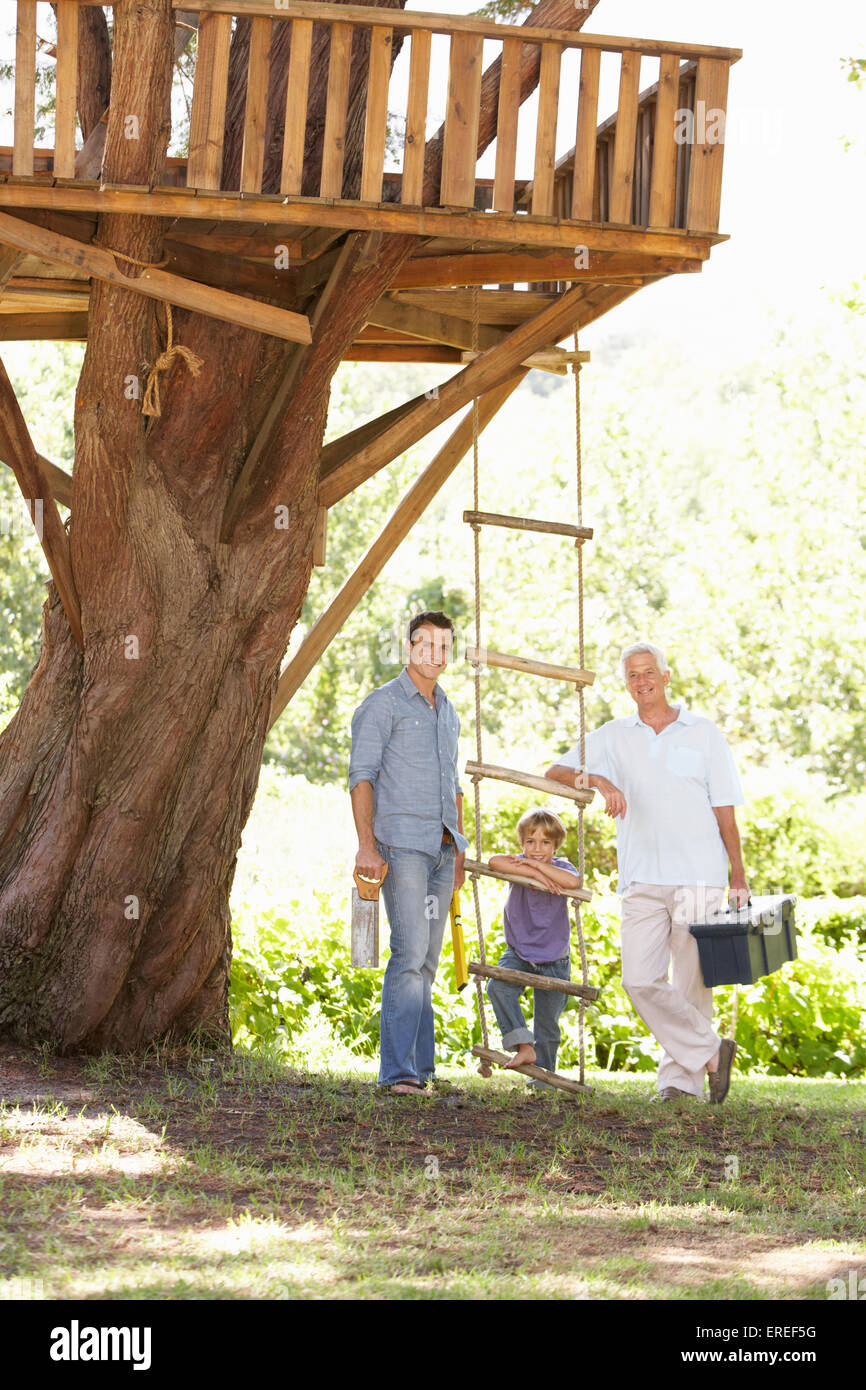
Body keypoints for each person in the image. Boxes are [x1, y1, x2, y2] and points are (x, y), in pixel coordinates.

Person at [546, 641, 749, 1105]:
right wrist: (598, 780)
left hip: (701, 874)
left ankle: (679, 1084)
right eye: (632, 676)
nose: (641, 681)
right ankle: (711, 1051)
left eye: (648, 672)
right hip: (641, 877)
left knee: (691, 984)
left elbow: (725, 810)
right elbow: (556, 769)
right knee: (638, 978)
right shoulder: (614, 736)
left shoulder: (704, 733)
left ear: (666, 675)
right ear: (626, 684)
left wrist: (739, 876)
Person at [349, 610, 467, 1096]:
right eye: (427, 645)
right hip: (403, 848)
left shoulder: (449, 711)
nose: (436, 655)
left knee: (429, 959)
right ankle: (398, 1073)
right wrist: (365, 846)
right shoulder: (382, 706)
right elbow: (361, 777)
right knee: (409, 951)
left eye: (445, 647)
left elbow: (454, 786)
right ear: (409, 647)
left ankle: (421, 1068)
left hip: (442, 850)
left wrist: (459, 852)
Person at [486, 808, 579, 1079]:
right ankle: (524, 1046)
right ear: (522, 843)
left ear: (556, 845)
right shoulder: (518, 862)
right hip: (519, 952)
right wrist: (532, 870)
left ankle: (543, 1081)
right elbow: (494, 861)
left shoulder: (562, 868)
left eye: (545, 843)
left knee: (547, 1026)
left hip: (555, 958)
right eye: (530, 842)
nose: (536, 849)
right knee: (498, 987)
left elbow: (573, 881)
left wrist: (537, 867)